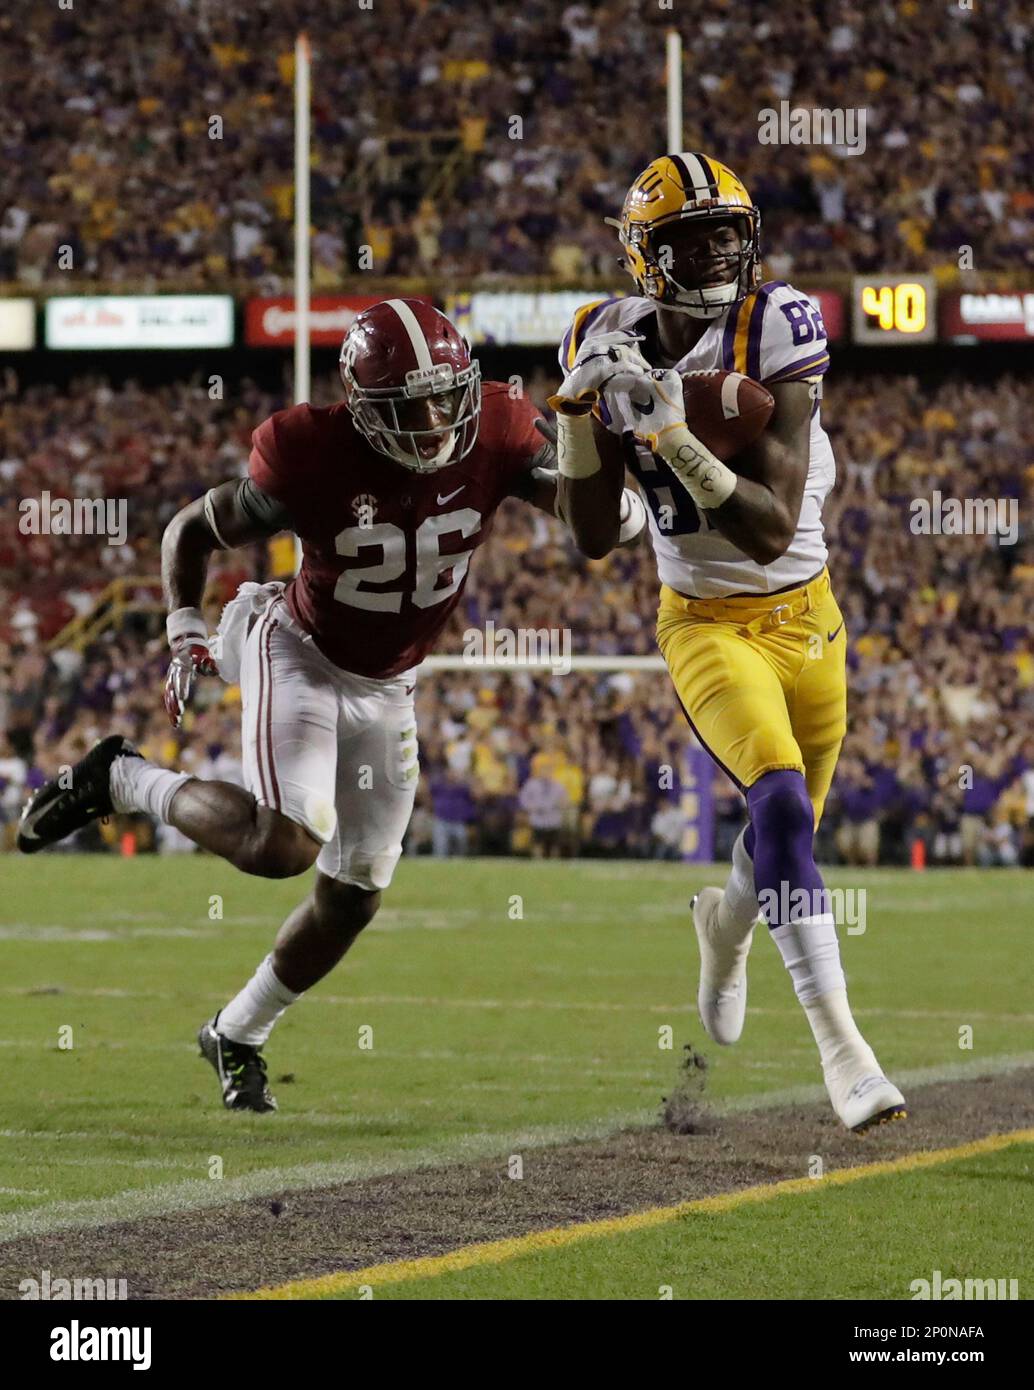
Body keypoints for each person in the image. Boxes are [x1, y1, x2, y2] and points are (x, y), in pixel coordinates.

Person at [18, 297, 647, 1112]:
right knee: (283, 846)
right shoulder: (309, 451)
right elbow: (188, 533)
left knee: (353, 895)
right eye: (406, 406)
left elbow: (596, 520)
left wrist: (618, 460)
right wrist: (182, 629)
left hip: (390, 681)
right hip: (299, 648)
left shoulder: (495, 425)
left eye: (443, 396)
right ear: (360, 406)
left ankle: (236, 1031)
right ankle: (121, 780)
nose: (431, 421)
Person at [551, 153, 905, 1134]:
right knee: (780, 803)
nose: (711, 251)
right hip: (706, 622)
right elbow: (585, 536)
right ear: (642, 256)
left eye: (722, 232)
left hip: (808, 614)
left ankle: (724, 932)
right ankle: (843, 1049)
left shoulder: (777, 322)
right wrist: (577, 422)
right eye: (686, 237)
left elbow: (765, 520)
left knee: (779, 832)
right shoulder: (596, 332)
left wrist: (671, 438)